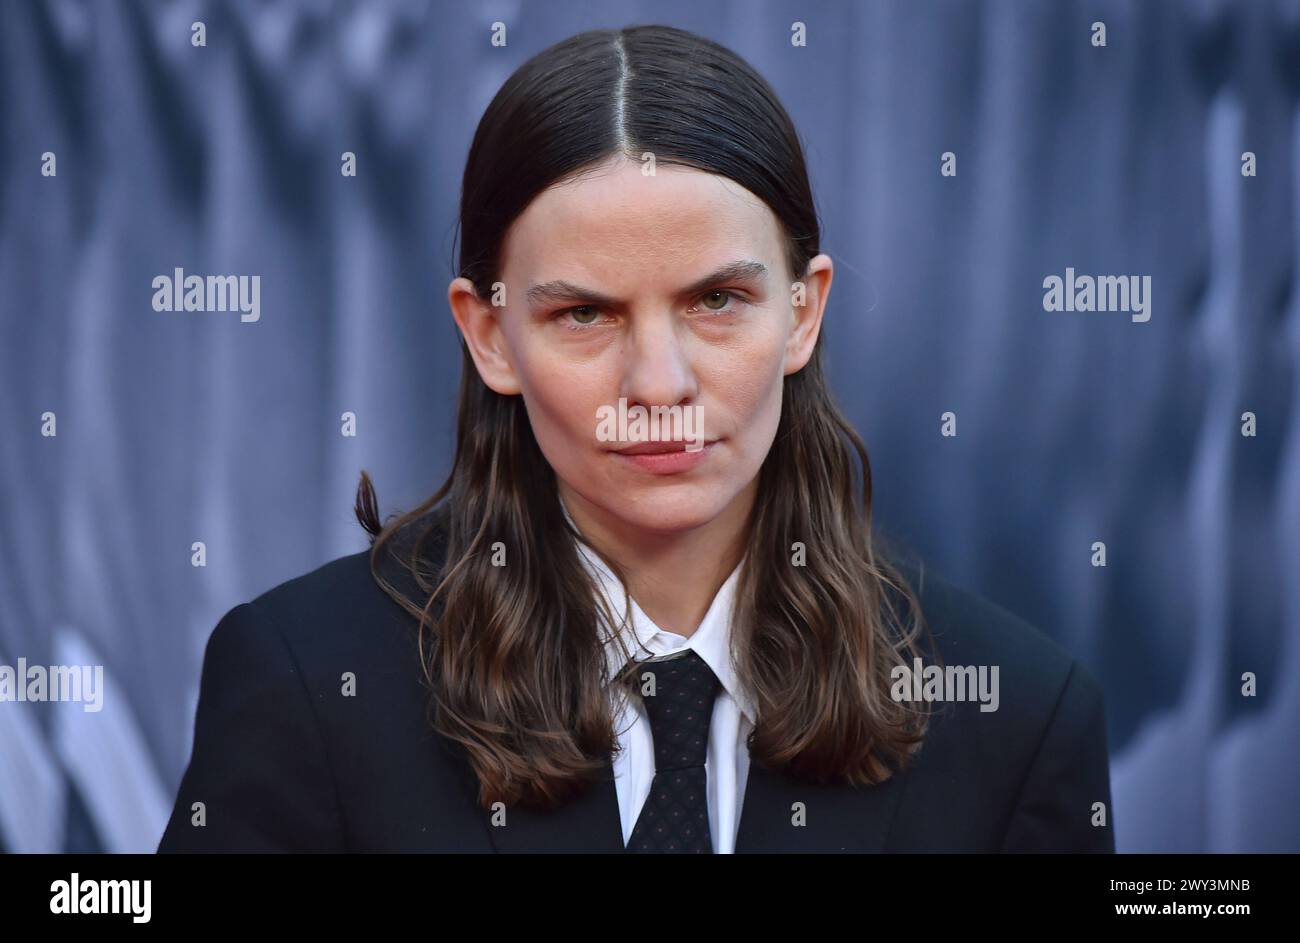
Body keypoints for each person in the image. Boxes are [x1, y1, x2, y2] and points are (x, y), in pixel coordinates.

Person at [158, 24, 1113, 853]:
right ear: (490, 334)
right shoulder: (311, 684)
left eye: (717, 301)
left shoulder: (1014, 716)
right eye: (585, 314)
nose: (659, 385)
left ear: (803, 312)